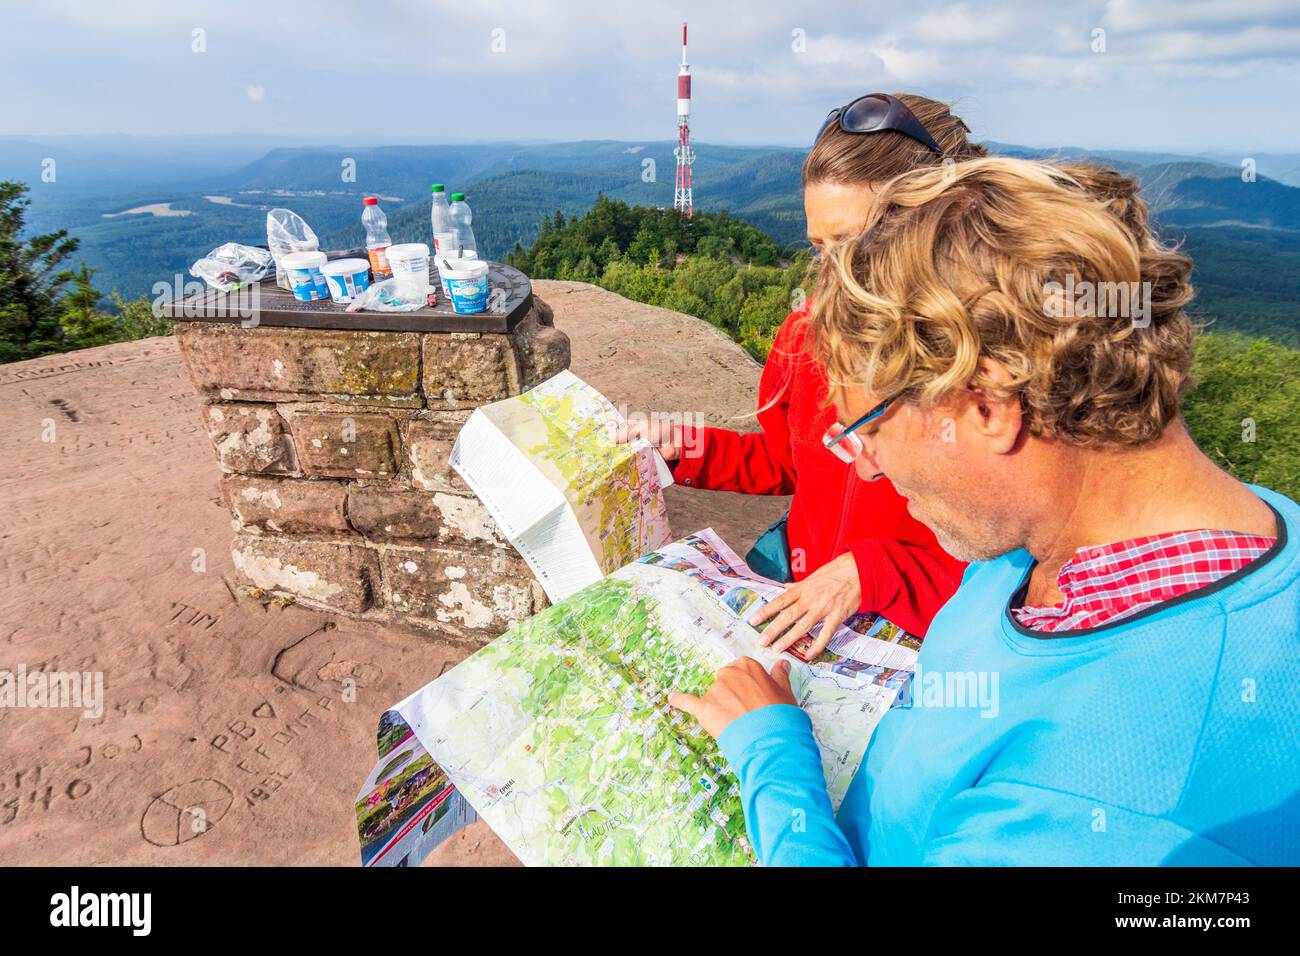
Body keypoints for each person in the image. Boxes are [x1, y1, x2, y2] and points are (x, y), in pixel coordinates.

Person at [670, 157, 1300, 866]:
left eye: (867, 430)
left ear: (985, 408)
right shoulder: (1064, 542)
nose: (868, 466)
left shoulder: (1113, 811)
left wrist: (773, 758)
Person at [621, 93, 977, 650]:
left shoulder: (991, 371)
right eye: (819, 247)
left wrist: (873, 571)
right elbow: (791, 463)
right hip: (809, 586)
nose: (836, 274)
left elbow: (1028, 580)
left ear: (944, 220)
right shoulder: (805, 336)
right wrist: (687, 449)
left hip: (920, 630)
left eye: (858, 243)